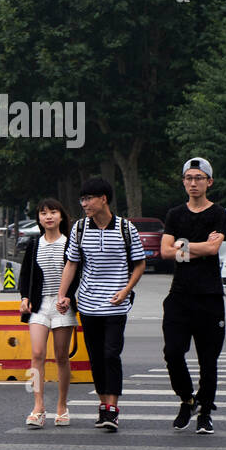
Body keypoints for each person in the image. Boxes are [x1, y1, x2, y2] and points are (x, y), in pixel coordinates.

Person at [55, 176, 146, 432]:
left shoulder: (126, 228)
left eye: (88, 198)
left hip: (116, 304)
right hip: (87, 303)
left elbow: (139, 264)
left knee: (111, 354)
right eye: (82, 199)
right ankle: (103, 406)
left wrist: (126, 290)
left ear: (103, 199)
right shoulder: (79, 228)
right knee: (96, 356)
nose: (84, 203)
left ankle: (113, 409)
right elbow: (72, 263)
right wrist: (63, 296)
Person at [160, 157, 226, 433]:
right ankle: (187, 399)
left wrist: (182, 245)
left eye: (199, 177)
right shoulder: (175, 214)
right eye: (189, 178)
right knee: (173, 352)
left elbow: (213, 250)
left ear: (209, 181)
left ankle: (205, 411)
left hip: (209, 296)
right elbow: (164, 252)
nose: (193, 183)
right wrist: (195, 247)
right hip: (179, 295)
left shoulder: (218, 213)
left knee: (208, 359)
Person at [17, 198, 75, 427]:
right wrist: (24, 298)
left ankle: (62, 406)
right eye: (43, 213)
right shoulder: (34, 244)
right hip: (40, 306)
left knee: (61, 356)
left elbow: (77, 272)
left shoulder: (70, 243)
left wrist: (69, 296)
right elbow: (26, 275)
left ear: (61, 216)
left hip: (63, 306)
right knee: (37, 353)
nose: (48, 216)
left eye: (53, 212)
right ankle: (38, 407)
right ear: (38, 218)